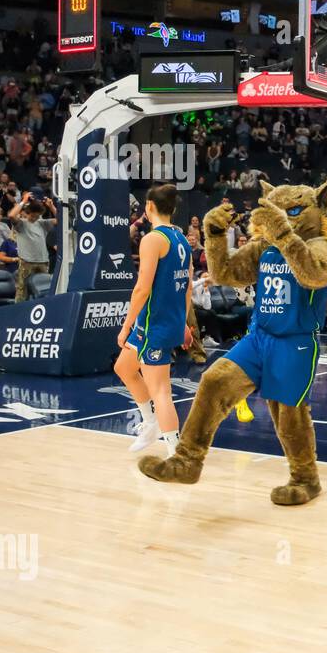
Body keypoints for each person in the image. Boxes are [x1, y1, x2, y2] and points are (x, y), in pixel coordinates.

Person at [114, 184, 192, 457]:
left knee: (161, 391)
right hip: (167, 321)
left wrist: (125, 326)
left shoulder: (152, 240)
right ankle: (150, 424)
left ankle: (175, 452)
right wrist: (183, 323)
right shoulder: (182, 239)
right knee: (124, 368)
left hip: (153, 325)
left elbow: (141, 289)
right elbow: (187, 286)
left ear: (149, 207)